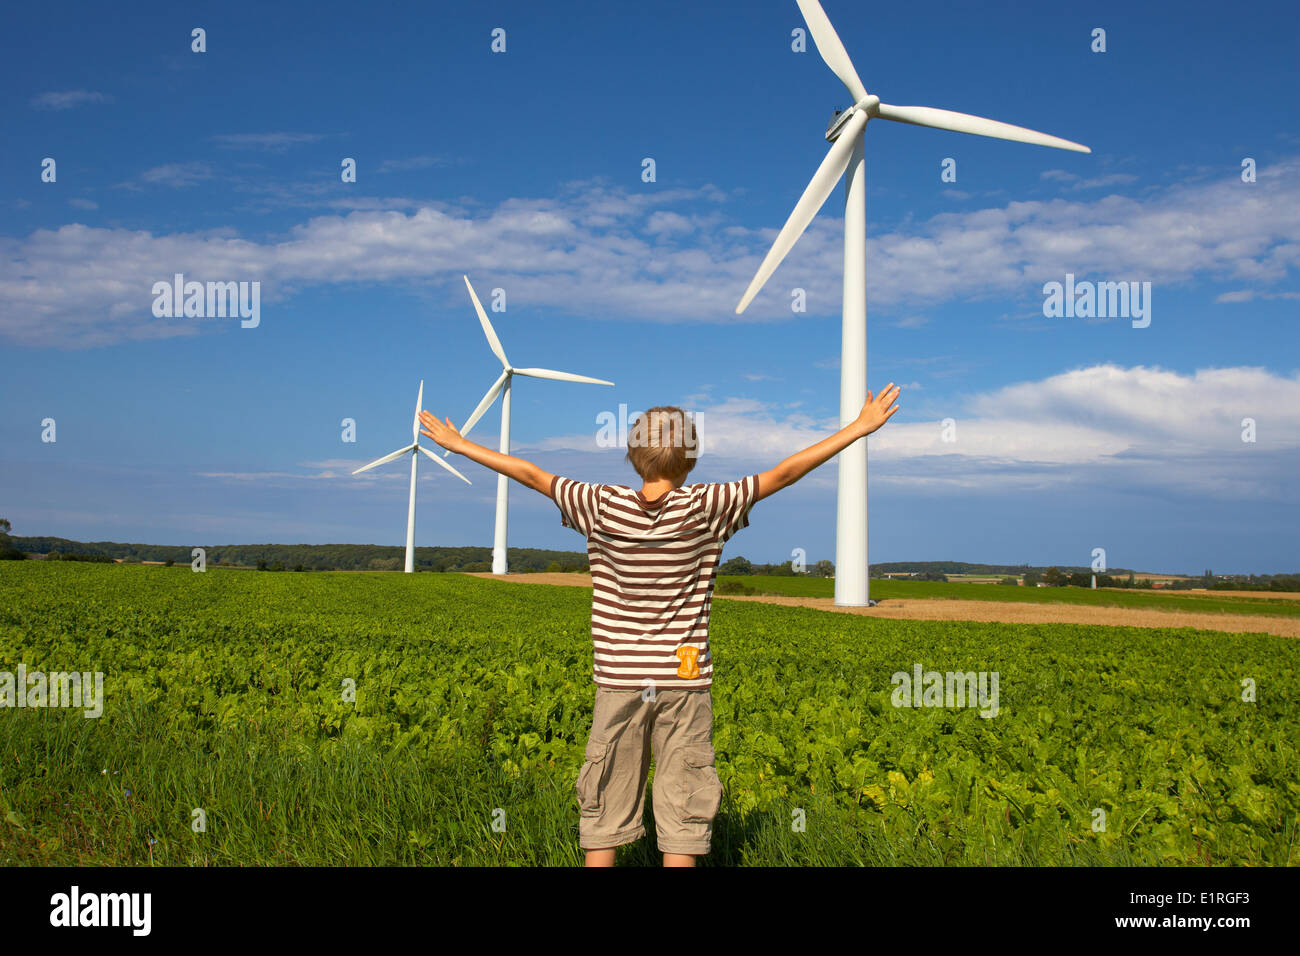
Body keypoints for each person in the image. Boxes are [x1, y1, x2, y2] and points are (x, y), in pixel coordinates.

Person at [418, 383, 900, 866]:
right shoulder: (710, 506)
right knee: (684, 810)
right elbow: (784, 473)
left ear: (632, 455)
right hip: (684, 680)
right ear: (691, 461)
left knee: (606, 799)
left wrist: (459, 445)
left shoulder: (598, 504)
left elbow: (531, 474)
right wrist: (859, 428)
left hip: (620, 679)